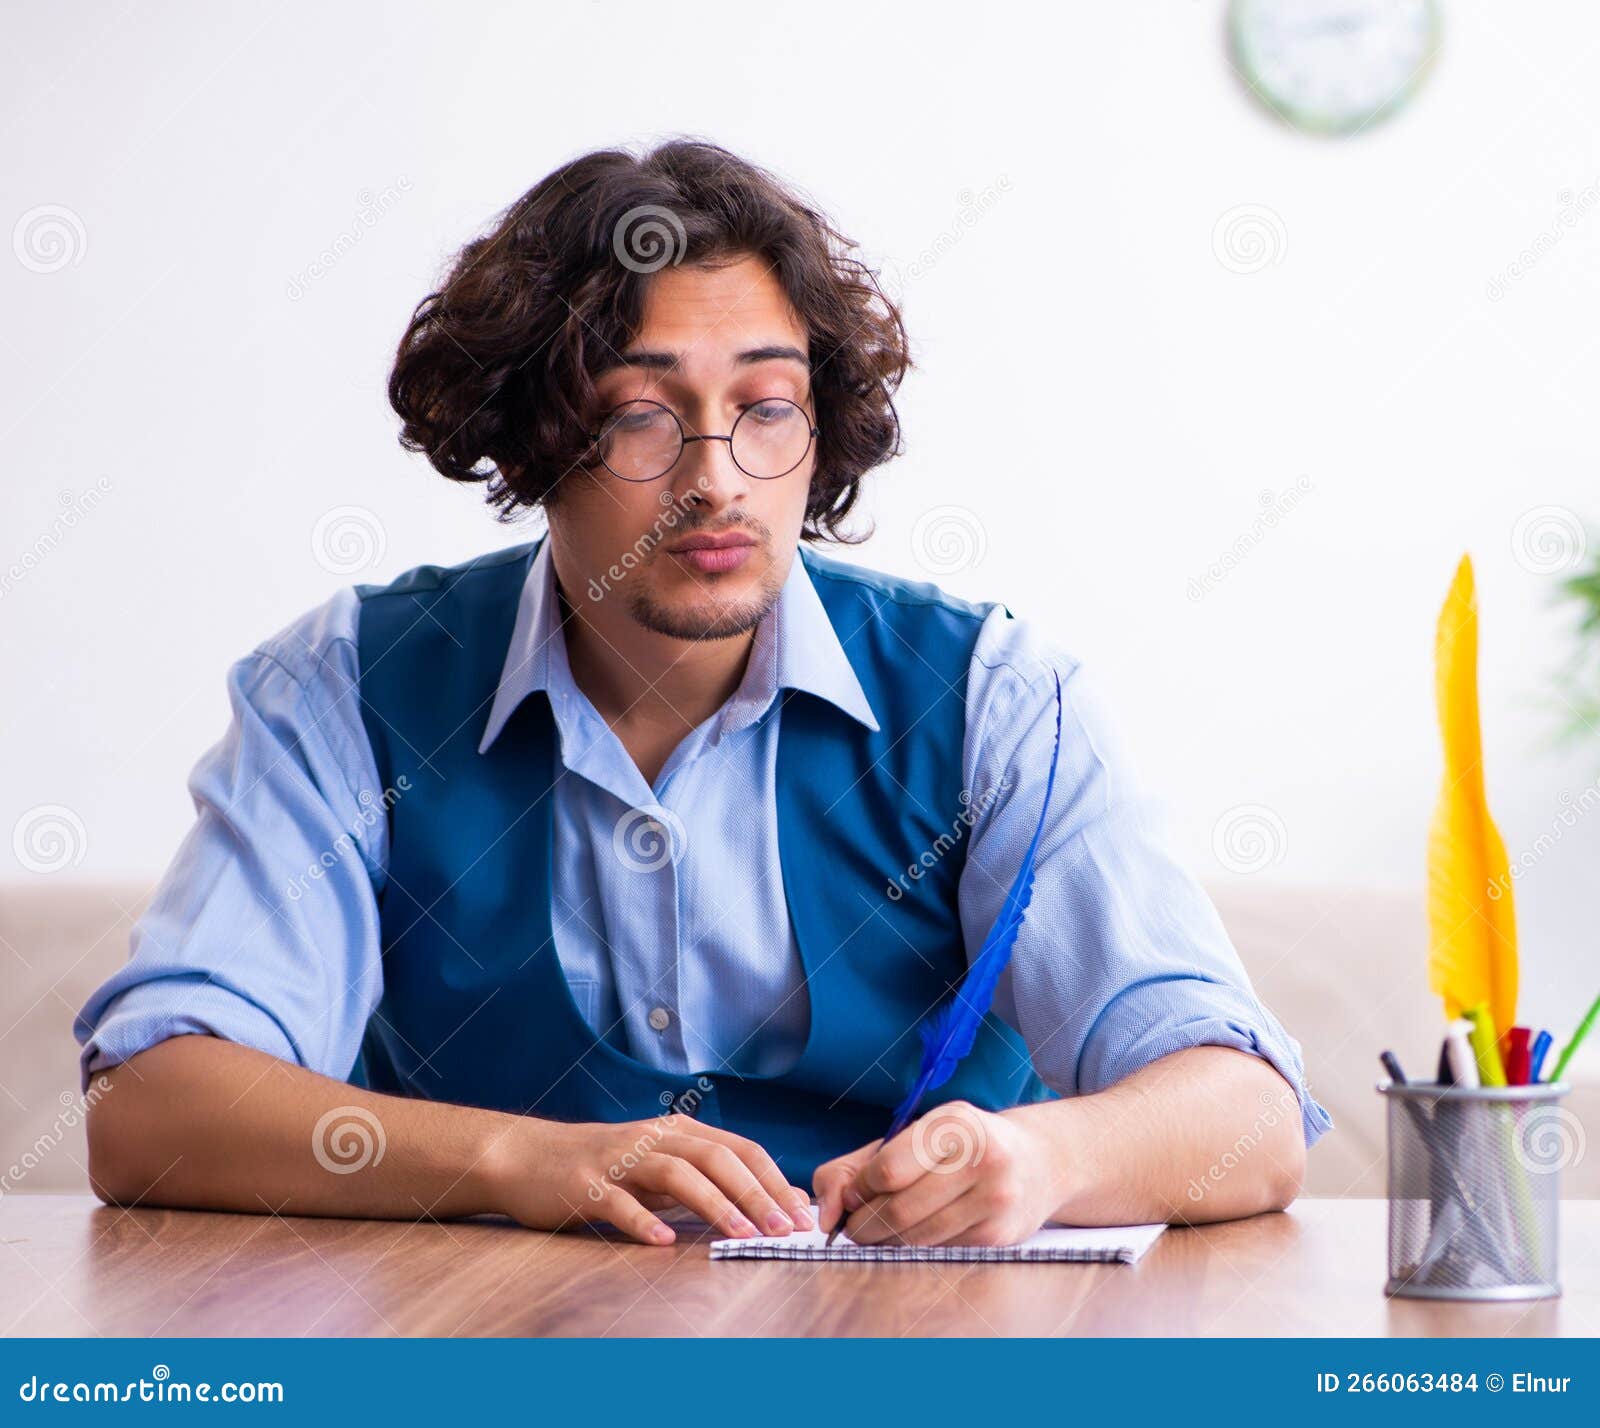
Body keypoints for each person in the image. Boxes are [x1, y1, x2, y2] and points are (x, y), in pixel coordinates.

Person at [77, 139, 1329, 1249]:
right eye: (640, 416)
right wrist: (520, 1159)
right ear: (526, 442)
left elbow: (1247, 1115)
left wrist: (1050, 1158)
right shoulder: (345, 693)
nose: (718, 477)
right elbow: (148, 1110)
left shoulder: (997, 702)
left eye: (766, 407)